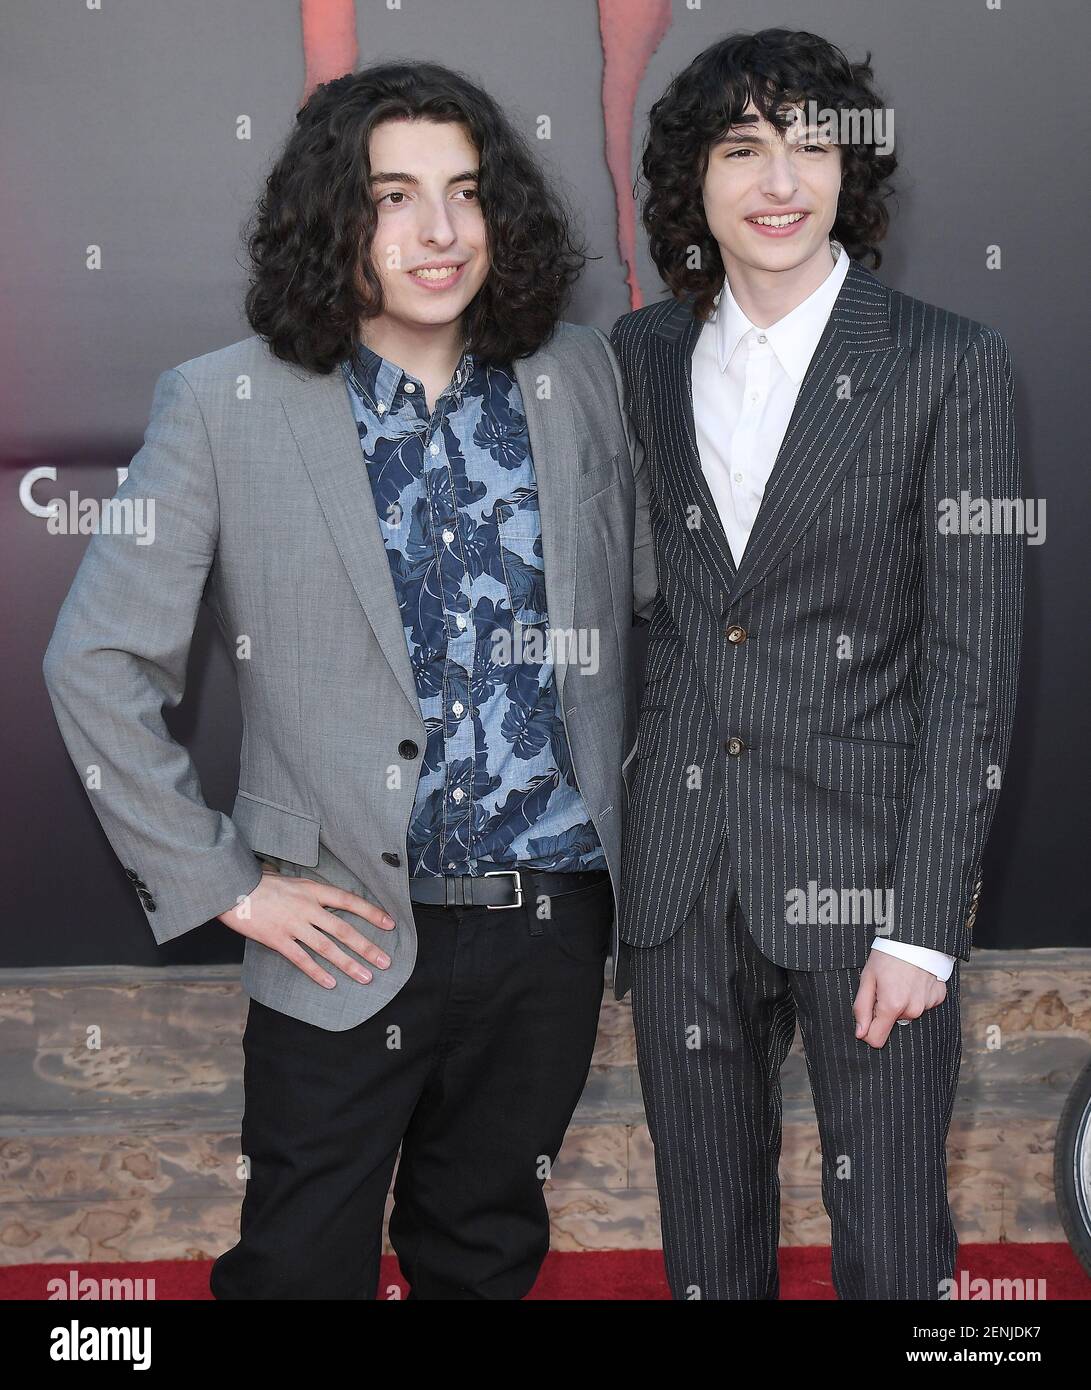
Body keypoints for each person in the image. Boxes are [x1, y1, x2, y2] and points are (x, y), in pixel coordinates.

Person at [42, 61, 654, 1300]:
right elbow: (93, 662)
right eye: (393, 197)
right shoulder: (224, 403)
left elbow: (654, 602)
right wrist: (225, 884)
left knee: (484, 1252)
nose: (437, 232)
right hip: (343, 932)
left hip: (548, 923)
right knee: (296, 1270)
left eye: (464, 192)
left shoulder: (579, 375)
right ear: (337, 217)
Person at [610, 28, 1024, 1299]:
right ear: (694, 182)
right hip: (682, 878)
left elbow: (975, 667)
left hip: (867, 880)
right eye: (742, 148)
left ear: (853, 172)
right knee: (707, 1244)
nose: (779, 179)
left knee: (894, 1247)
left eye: (810, 144)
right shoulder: (638, 358)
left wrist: (924, 925)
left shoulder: (945, 362)